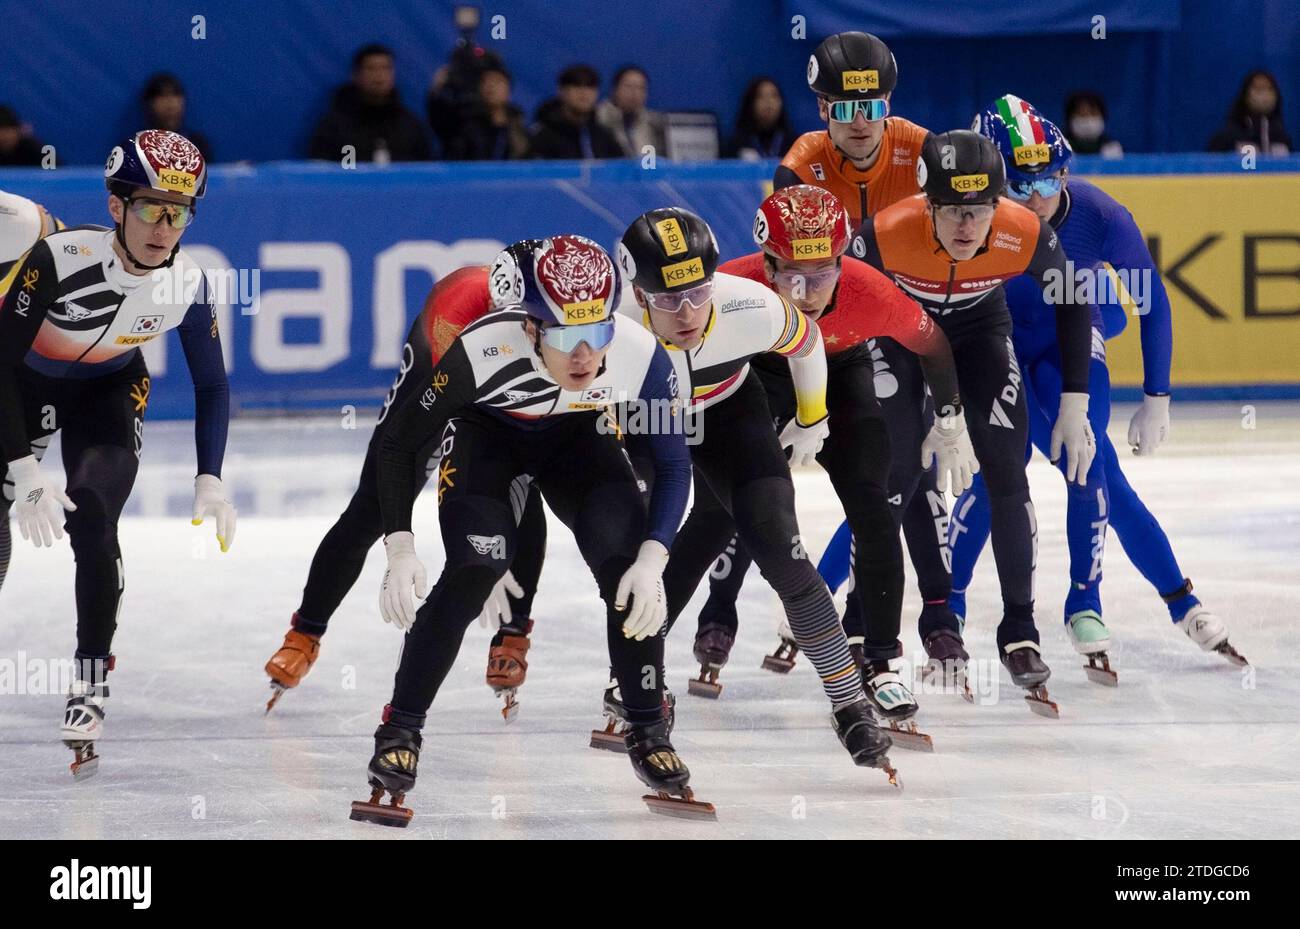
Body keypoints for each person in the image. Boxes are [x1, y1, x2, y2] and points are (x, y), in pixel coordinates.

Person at [349, 235, 707, 825]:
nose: (586, 354)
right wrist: (400, 544)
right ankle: (400, 729)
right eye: (567, 336)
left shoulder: (643, 354)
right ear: (532, 327)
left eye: (599, 333)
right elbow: (400, 442)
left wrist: (654, 558)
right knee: (472, 569)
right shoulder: (482, 348)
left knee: (627, 573)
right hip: (488, 440)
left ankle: (648, 728)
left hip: (577, 442)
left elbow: (672, 463)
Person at [952, 94, 1246, 673]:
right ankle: (950, 610)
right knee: (1000, 472)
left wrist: (1157, 396)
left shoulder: (1099, 213)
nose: (1037, 197)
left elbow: (1151, 301)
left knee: (1089, 461)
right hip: (999, 344)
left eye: (1051, 179)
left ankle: (1087, 600)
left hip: (1073, 338)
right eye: (1019, 186)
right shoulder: (965, 217)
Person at [676, 185, 976, 743]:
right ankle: (647, 660)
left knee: (875, 504)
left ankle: (882, 663)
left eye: (821, 274)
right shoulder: (728, 287)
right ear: (764, 264)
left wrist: (951, 419)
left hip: (841, 374)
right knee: (716, 514)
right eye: (788, 273)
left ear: (844, 261)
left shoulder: (870, 290)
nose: (804, 291)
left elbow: (933, 344)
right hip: (756, 379)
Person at [611, 206, 896, 777]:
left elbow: (809, 342)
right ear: (636, 294)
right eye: (667, 300)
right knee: (631, 559)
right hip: (642, 423)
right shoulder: (609, 328)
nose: (688, 312)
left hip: (727, 414)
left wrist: (812, 417)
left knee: (786, 556)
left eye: (697, 292)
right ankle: (642, 687)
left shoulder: (751, 305)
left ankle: (847, 700)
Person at [712, 32, 961, 676]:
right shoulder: (800, 162)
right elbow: (783, 271)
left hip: (887, 308)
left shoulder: (922, 148)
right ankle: (721, 609)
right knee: (750, 475)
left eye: (872, 107)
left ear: (889, 105)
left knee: (898, 475)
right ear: (823, 109)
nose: (859, 123)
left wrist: (951, 413)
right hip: (820, 314)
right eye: (843, 110)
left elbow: (958, 233)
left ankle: (924, 619)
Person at [0, 130, 235, 776]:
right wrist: (22, 470)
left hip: (108, 391)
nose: (164, 228)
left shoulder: (186, 283)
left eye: (179, 212)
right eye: (150, 208)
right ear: (115, 208)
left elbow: (212, 384)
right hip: (22, 381)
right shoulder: (56, 258)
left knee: (93, 516)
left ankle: (89, 673)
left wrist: (209, 476)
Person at [848, 129, 1097, 711]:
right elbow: (840, 308)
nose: (968, 226)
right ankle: (918, 614)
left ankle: (1019, 629)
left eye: (981, 210)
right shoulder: (882, 235)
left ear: (998, 205)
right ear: (928, 205)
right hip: (902, 334)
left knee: (1009, 471)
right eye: (955, 211)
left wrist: (1075, 400)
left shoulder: (1025, 230)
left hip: (981, 330)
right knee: (899, 467)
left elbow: (1072, 302)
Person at [263, 242, 550, 714]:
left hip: (520, 388)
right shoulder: (457, 308)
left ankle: (513, 633)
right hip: (441, 378)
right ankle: (305, 632)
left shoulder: (554, 321)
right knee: (372, 507)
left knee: (523, 489)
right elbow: (452, 413)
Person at [308, 44, 432, 163]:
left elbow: (426, 172)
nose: (379, 76)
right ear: (356, 75)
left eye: (385, 68)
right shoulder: (335, 126)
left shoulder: (410, 125)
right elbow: (320, 170)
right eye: (371, 68)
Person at [529, 65, 624, 160]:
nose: (584, 93)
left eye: (590, 86)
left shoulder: (603, 136)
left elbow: (622, 167)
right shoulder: (543, 137)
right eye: (576, 85)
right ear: (562, 92)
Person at [444, 65, 530, 160]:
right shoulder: (467, 123)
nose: (491, 86)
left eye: (497, 81)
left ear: (508, 89)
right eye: (486, 82)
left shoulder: (517, 122)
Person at [1207, 70, 1291, 155]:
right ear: (1245, 95)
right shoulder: (1228, 137)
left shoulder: (1282, 138)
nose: (1264, 94)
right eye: (1258, 88)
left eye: (1269, 89)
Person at [597, 66, 666, 158]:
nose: (634, 93)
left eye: (641, 88)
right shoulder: (598, 118)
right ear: (614, 90)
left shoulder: (653, 123)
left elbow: (653, 163)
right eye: (628, 86)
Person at [140, 73, 212, 162]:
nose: (170, 103)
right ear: (150, 103)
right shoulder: (137, 147)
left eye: (175, 95)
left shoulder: (197, 145)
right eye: (162, 96)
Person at [724, 77, 793, 160]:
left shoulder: (793, 144)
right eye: (760, 96)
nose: (768, 102)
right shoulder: (737, 144)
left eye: (774, 96)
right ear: (750, 103)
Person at [1063, 91, 1123, 158]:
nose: (1088, 120)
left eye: (1093, 114)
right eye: (1082, 115)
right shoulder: (1060, 148)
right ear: (1070, 119)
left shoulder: (1112, 148)